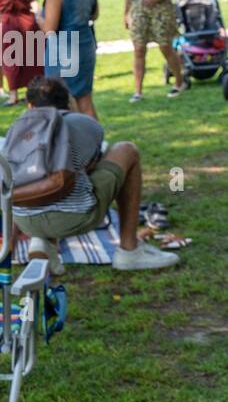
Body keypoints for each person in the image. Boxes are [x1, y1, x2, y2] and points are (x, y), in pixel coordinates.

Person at [12, 77, 179, 273]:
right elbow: (92, 164)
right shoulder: (83, 122)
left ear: (30, 106)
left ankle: (42, 241)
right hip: (73, 218)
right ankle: (129, 250)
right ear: (68, 101)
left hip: (25, 221)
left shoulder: (18, 128)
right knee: (126, 150)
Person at [41, 0, 99, 120]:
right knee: (85, 100)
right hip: (85, 43)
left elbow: (49, 28)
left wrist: (37, 18)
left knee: (61, 101)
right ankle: (96, 143)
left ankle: (73, 145)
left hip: (63, 47)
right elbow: (94, 14)